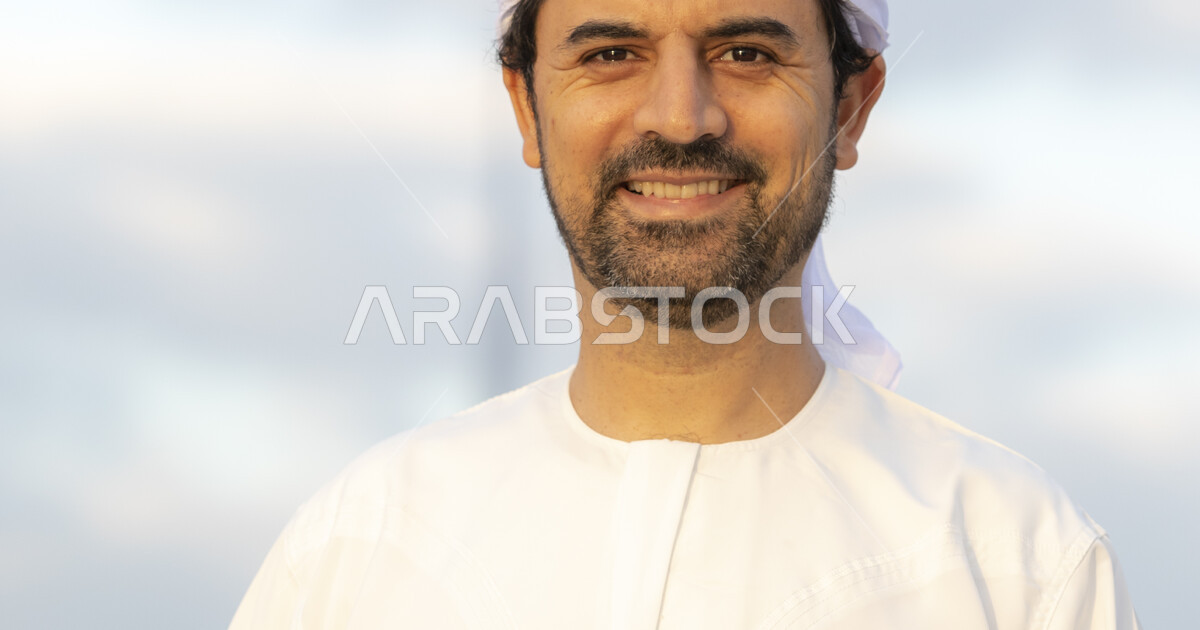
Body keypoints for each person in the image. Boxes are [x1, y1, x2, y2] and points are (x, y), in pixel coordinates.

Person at [230, 0, 1140, 627]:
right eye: (610, 54)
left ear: (851, 107)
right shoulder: (359, 548)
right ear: (527, 107)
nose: (680, 117)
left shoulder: (1015, 560)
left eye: (746, 52)